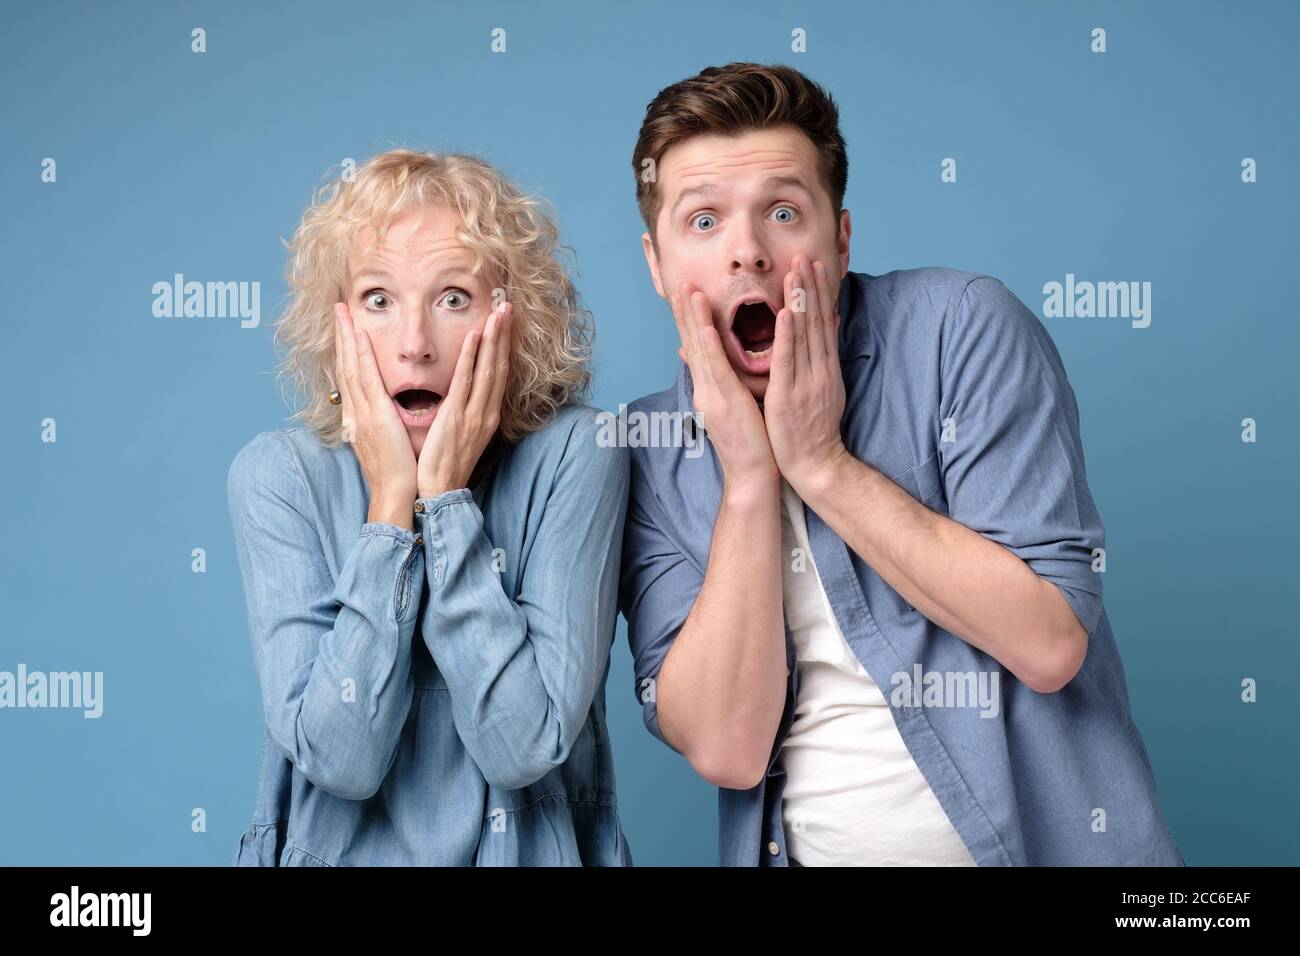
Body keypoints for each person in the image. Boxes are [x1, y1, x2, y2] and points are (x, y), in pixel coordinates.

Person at [619, 62, 1183, 866]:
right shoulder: (646, 450)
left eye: (783, 212)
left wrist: (821, 464)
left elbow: (1050, 643)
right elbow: (727, 749)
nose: (746, 253)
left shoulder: (961, 328)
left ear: (839, 240)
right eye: (702, 222)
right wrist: (750, 484)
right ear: (658, 264)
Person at [228, 148, 631, 866]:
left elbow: (523, 745)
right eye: (380, 300)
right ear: (340, 325)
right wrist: (391, 508)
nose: (415, 346)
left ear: (512, 317)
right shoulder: (278, 475)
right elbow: (341, 759)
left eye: (453, 299)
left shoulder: (579, 452)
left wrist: (444, 501)